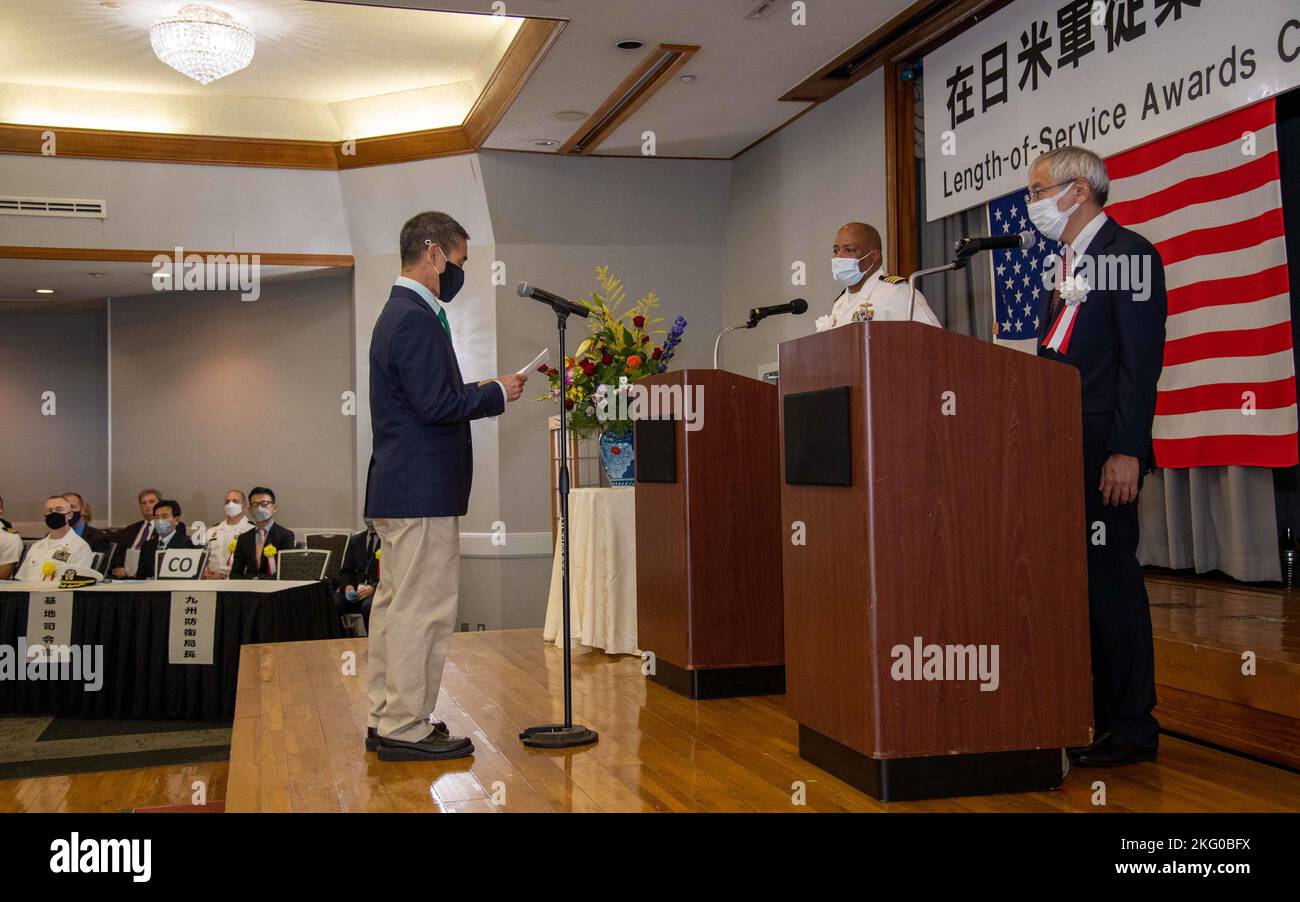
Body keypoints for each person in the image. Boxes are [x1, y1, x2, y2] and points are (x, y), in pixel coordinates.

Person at [364, 210, 526, 761]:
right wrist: (496, 393)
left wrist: (478, 388)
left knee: (395, 605)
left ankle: (388, 715)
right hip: (420, 491)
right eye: (458, 261)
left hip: (401, 488)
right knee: (422, 609)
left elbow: (425, 399)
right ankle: (405, 728)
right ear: (432, 253)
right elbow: (436, 405)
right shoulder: (413, 316)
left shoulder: (400, 313)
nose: (459, 272)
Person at [1029, 146, 1166, 768]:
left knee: (1111, 584)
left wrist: (1126, 451)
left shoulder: (1129, 255)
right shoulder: (1065, 262)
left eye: (1038, 191)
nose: (1031, 205)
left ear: (1077, 190)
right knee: (1075, 583)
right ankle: (1086, 709)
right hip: (1060, 448)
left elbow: (1141, 366)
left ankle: (1131, 725)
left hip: (1102, 450)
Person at [816, 222, 941, 330]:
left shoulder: (898, 293)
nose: (839, 257)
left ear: (873, 256)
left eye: (849, 250)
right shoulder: (840, 303)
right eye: (836, 250)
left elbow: (933, 341)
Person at [16, 495, 93, 581]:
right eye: (49, 510)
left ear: (70, 515)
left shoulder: (80, 547)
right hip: (29, 592)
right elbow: (22, 580)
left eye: (59, 510)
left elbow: (76, 584)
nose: (53, 513)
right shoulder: (36, 547)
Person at [229, 486, 295, 579]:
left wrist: (260, 582)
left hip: (274, 588)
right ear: (249, 510)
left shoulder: (285, 535)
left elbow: (286, 572)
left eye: (264, 504)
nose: (260, 508)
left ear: (274, 508)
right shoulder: (243, 538)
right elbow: (235, 573)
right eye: (255, 504)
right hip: (247, 588)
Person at [338, 519, 381, 631]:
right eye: (365, 514)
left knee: (368, 606)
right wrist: (348, 586)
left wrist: (374, 588)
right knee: (334, 602)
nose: (368, 518)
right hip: (357, 589)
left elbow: (392, 573)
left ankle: (371, 643)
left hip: (378, 590)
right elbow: (347, 570)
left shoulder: (387, 540)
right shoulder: (355, 541)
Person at [137, 499, 195, 579]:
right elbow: (140, 577)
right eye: (157, 517)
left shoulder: (185, 543)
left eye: (164, 517)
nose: (160, 521)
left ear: (176, 520)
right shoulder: (147, 545)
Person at [110, 488, 161, 578]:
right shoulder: (130, 529)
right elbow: (118, 554)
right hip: (126, 577)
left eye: (151, 502)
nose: (147, 505)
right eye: (143, 503)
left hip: (149, 576)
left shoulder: (164, 528)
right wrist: (117, 569)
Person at [203, 489, 254, 579]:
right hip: (210, 582)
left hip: (238, 583)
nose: (230, 504)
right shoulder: (212, 531)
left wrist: (223, 576)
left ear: (244, 505)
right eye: (227, 502)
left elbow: (253, 564)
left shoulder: (252, 530)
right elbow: (202, 556)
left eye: (235, 501)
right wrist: (205, 571)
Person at [61, 492, 112, 557]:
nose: (68, 511)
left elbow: (98, 566)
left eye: (72, 507)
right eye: (63, 508)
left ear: (82, 509)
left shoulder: (99, 538)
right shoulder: (53, 536)